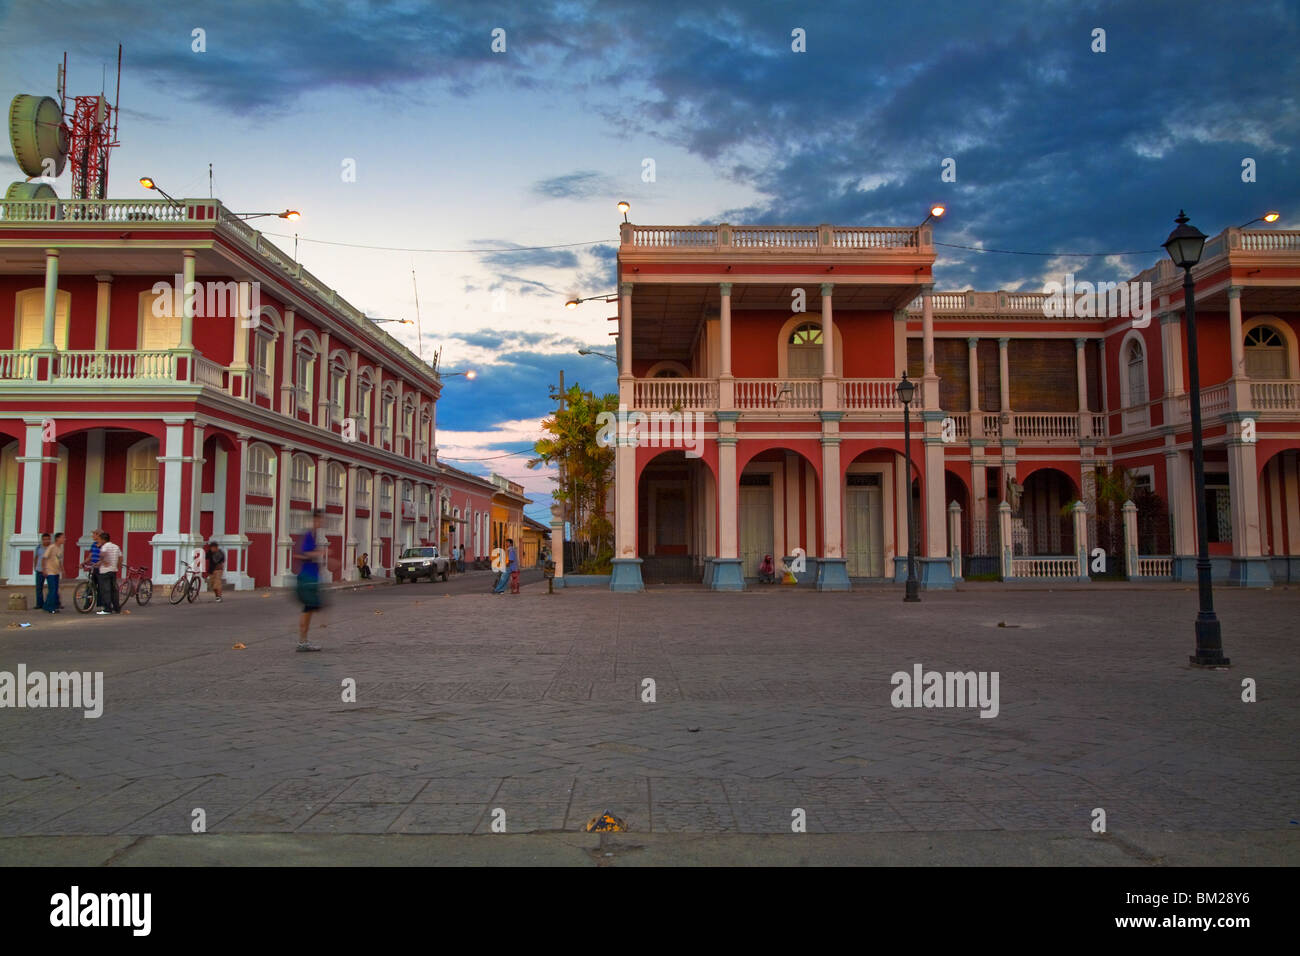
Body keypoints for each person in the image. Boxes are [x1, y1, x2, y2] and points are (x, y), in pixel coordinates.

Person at [296, 510, 325, 651]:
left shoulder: (312, 536)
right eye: (320, 520)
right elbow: (303, 554)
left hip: (311, 576)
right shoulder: (308, 535)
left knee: (309, 609)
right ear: (315, 520)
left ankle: (304, 640)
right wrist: (320, 553)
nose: (321, 522)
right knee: (308, 609)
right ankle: (302, 641)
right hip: (307, 577)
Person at [97, 531, 122, 614]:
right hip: (113, 570)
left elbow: (102, 555)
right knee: (113, 590)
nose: (99, 541)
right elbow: (121, 557)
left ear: (103, 540)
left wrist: (103, 561)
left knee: (105, 590)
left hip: (105, 571)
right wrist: (118, 565)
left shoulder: (104, 546)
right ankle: (116, 608)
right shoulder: (116, 546)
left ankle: (107, 609)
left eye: (99, 540)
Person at [42, 532, 64, 612]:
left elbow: (60, 560)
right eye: (62, 537)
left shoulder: (60, 548)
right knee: (53, 590)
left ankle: (46, 605)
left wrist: (62, 570)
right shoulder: (51, 547)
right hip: (50, 571)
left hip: (56, 572)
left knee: (53, 589)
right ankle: (51, 608)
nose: (64, 539)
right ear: (57, 538)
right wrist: (44, 569)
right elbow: (44, 558)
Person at [34, 532, 50, 610]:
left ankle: (49, 603)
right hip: (39, 570)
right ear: (42, 540)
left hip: (49, 570)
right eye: (44, 539)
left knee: (51, 588)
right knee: (39, 588)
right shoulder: (39, 547)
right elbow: (36, 557)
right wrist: (35, 566)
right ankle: (39, 604)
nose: (46, 541)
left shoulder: (51, 548)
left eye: (47, 539)